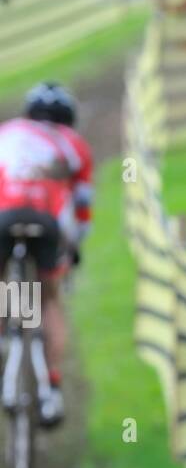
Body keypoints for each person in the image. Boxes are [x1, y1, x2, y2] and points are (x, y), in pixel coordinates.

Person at [0, 83, 93, 425]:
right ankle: (51, 388)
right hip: (46, 221)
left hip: (4, 217)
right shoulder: (73, 144)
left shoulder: (7, 132)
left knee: (5, 286)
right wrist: (74, 248)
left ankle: (5, 338)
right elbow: (81, 207)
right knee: (49, 297)